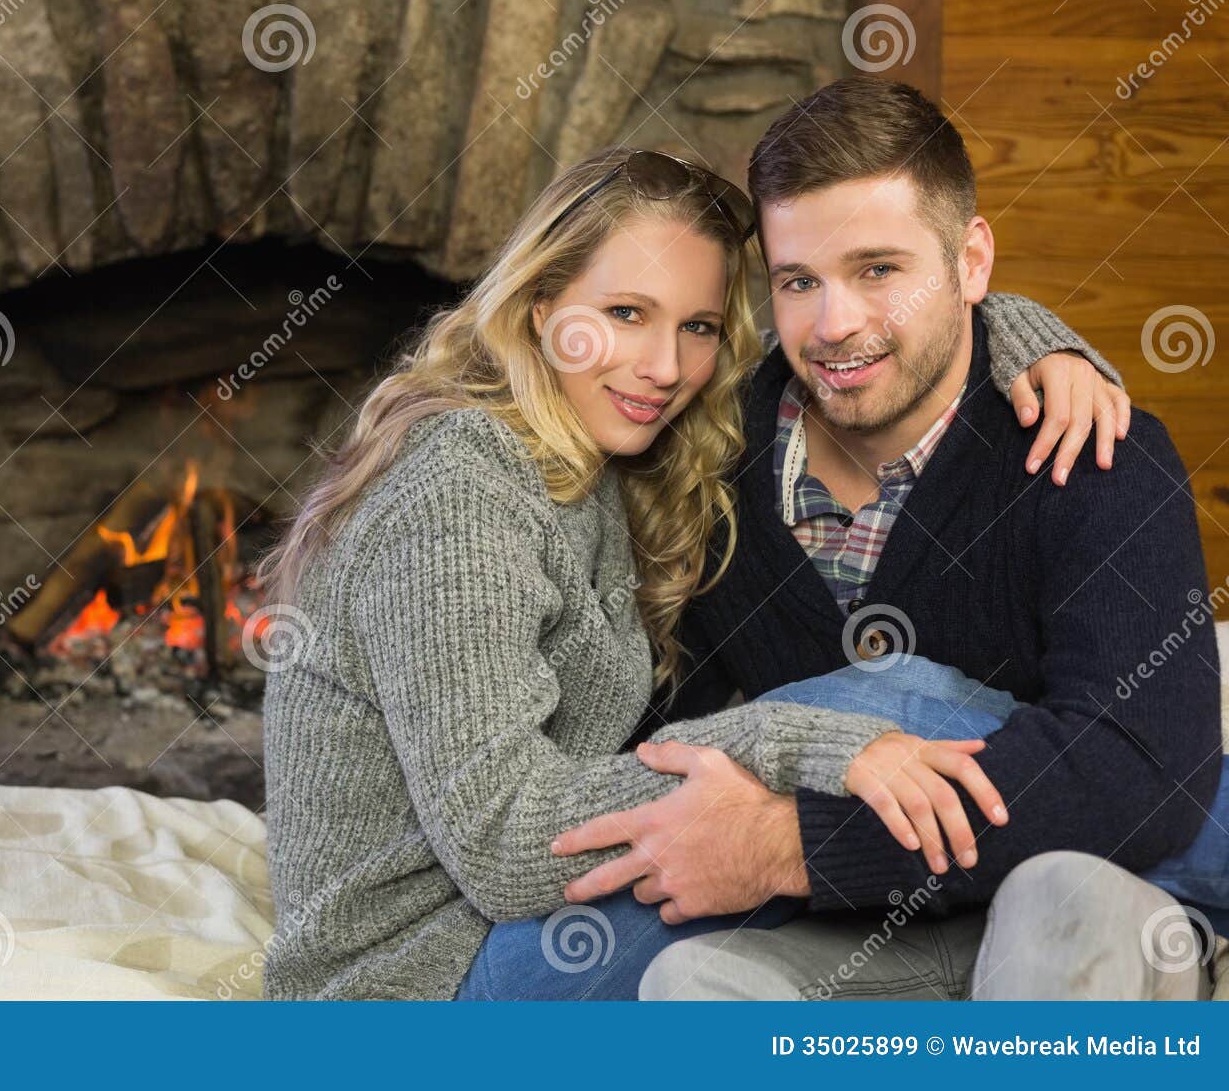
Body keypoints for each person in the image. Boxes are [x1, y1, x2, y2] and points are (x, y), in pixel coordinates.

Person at [256, 136, 1126, 999]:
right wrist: (799, 745)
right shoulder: (459, 486)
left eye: (698, 326)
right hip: (420, 985)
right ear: (539, 305)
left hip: (515, 934)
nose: (664, 368)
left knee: (862, 760)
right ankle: (1147, 824)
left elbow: (861, 345)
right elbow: (505, 842)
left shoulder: (602, 449)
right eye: (626, 314)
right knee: (877, 701)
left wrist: (1019, 336)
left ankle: (1074, 885)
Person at [546, 76, 1221, 1001]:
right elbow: (662, 735)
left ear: (971, 261)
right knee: (682, 981)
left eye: (879, 270)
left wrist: (793, 842)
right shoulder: (704, 461)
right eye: (799, 281)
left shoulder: (1094, 452)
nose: (835, 327)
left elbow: (1139, 766)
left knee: (1061, 899)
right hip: (844, 941)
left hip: (1053, 891)